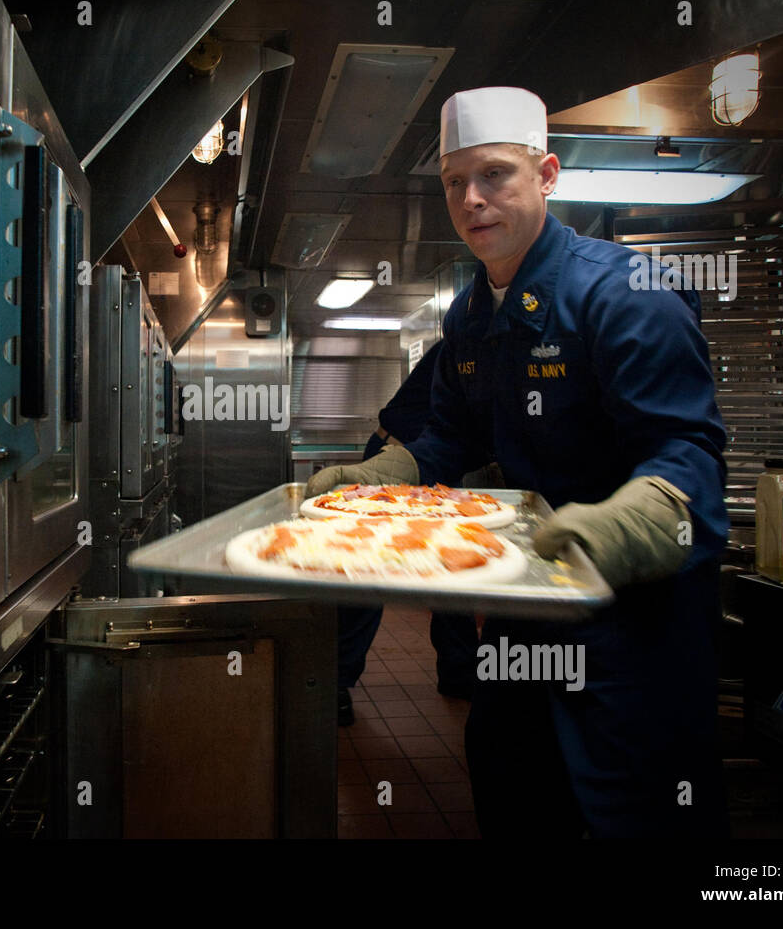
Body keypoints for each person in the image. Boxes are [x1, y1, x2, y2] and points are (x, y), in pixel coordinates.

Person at [307, 86, 729, 837]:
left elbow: (686, 456)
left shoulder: (624, 295)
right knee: (514, 792)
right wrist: (381, 475)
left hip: (630, 632)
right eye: (453, 182)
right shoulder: (472, 314)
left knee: (625, 813)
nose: (472, 199)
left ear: (547, 175)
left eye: (495, 174)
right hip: (522, 628)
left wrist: (617, 528)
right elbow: (448, 438)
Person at [335, 340, 480, 728]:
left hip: (434, 465)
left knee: (452, 568)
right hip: (395, 457)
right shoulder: (468, 344)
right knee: (371, 569)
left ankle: (460, 671)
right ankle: (335, 682)